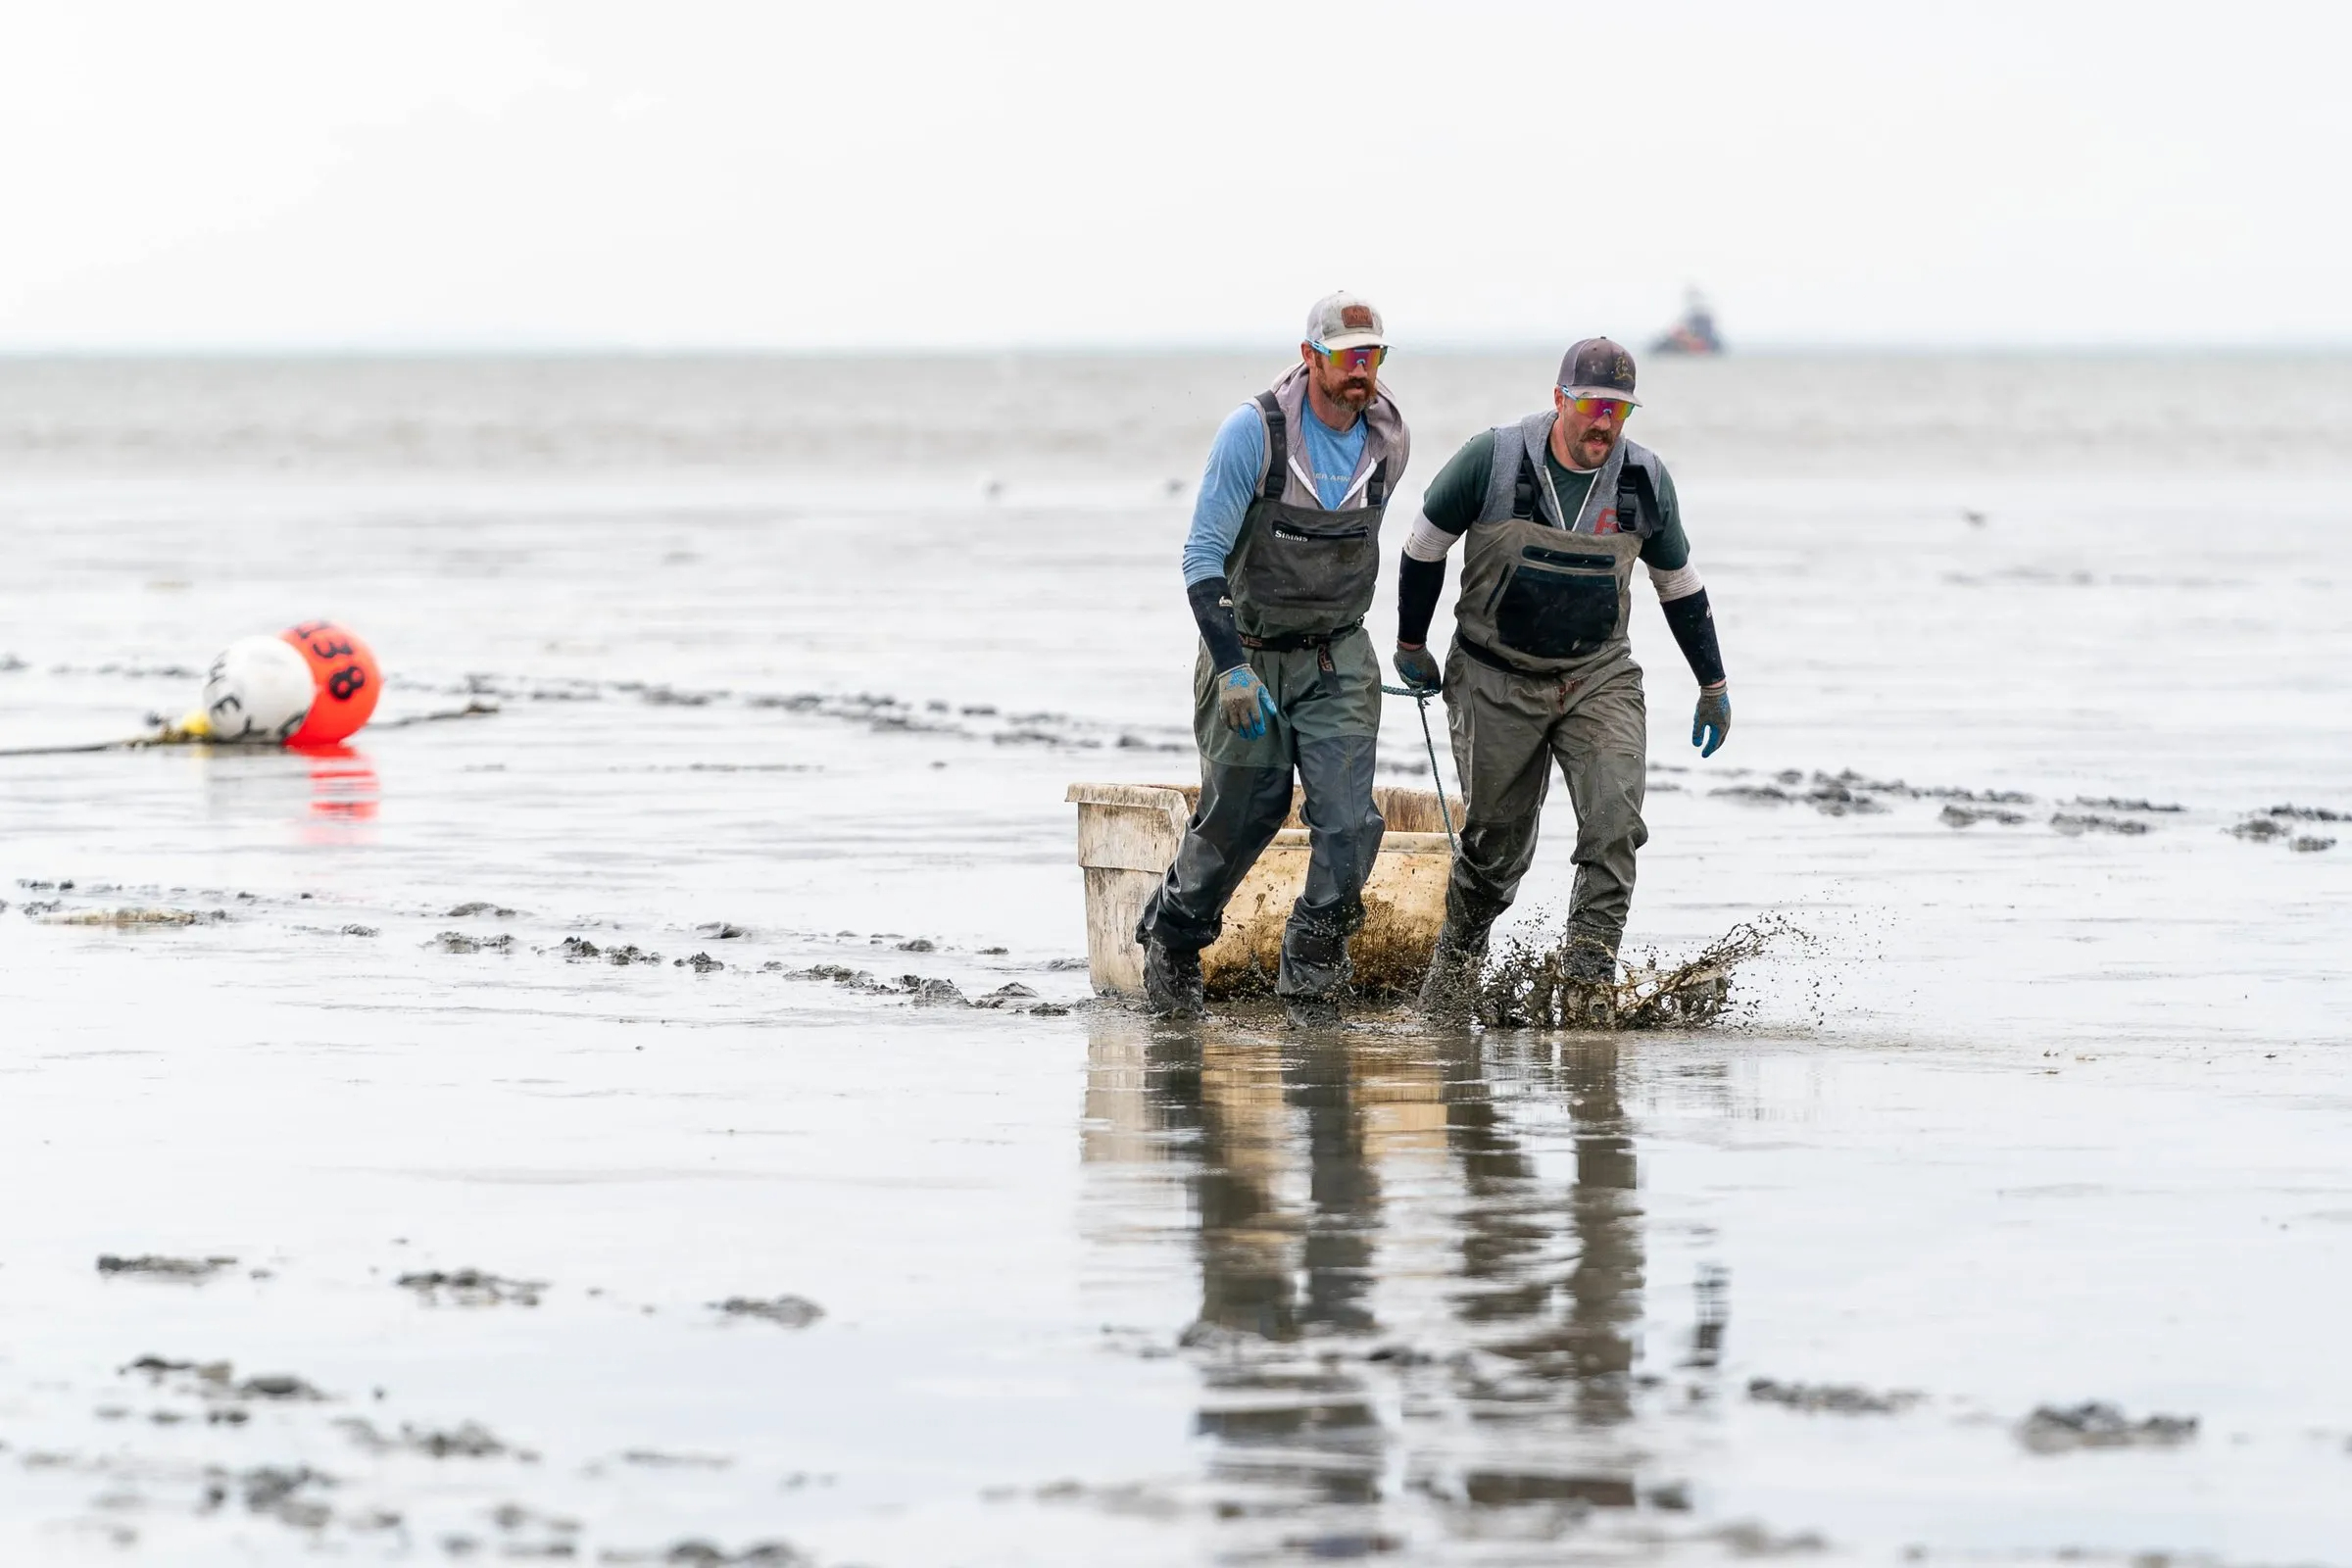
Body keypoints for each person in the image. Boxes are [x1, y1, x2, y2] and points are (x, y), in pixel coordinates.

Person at [1393, 337, 1729, 1025]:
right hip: (1494, 677)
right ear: (1559, 400)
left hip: (1596, 675)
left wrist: (1713, 685)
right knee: (1494, 847)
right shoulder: (1490, 460)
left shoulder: (1643, 481)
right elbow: (1423, 548)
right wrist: (1408, 644)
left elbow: (1679, 588)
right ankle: (1452, 983)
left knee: (1614, 823)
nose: (1604, 423)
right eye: (1591, 406)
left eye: (1619, 409)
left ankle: (1585, 989)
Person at [1135, 292, 1412, 1027]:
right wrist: (1229, 665)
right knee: (1241, 818)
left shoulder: (1390, 441)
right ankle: (1172, 933)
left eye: (1372, 356)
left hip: (1337, 659)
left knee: (1351, 823)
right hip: (1248, 658)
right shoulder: (1251, 434)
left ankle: (1313, 966)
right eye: (1347, 356)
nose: (1361, 372)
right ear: (1309, 357)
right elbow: (1200, 558)